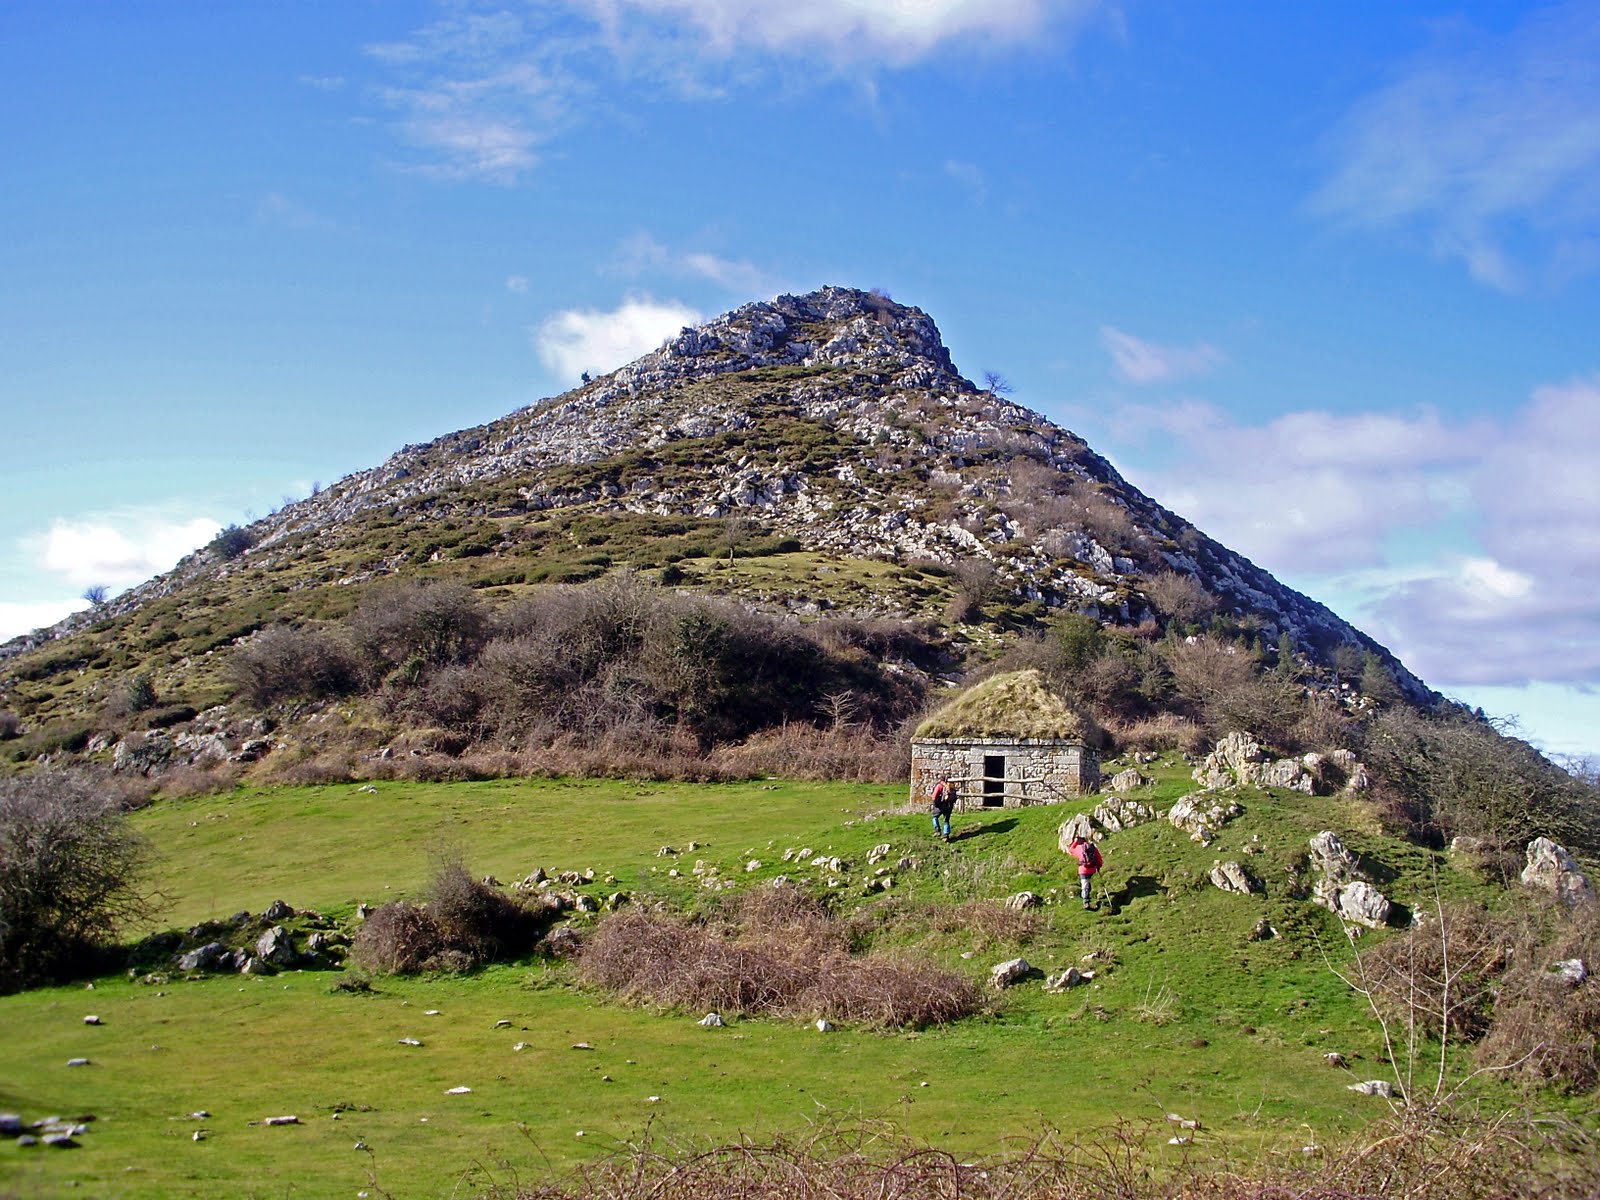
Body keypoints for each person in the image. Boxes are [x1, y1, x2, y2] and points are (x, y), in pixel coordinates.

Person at [1068, 833, 1102, 909]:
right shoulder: (1092, 847)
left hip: (1083, 870)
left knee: (1085, 885)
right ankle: (1088, 897)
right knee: (1088, 883)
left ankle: (1086, 902)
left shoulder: (1079, 848)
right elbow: (1099, 857)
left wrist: (1075, 842)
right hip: (1092, 869)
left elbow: (1071, 850)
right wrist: (1099, 866)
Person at [929, 773, 956, 842]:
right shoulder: (951, 786)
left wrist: (936, 805)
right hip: (950, 805)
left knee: (934, 816)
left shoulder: (939, 786)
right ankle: (946, 836)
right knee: (946, 820)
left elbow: (934, 797)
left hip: (942, 805)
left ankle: (937, 831)